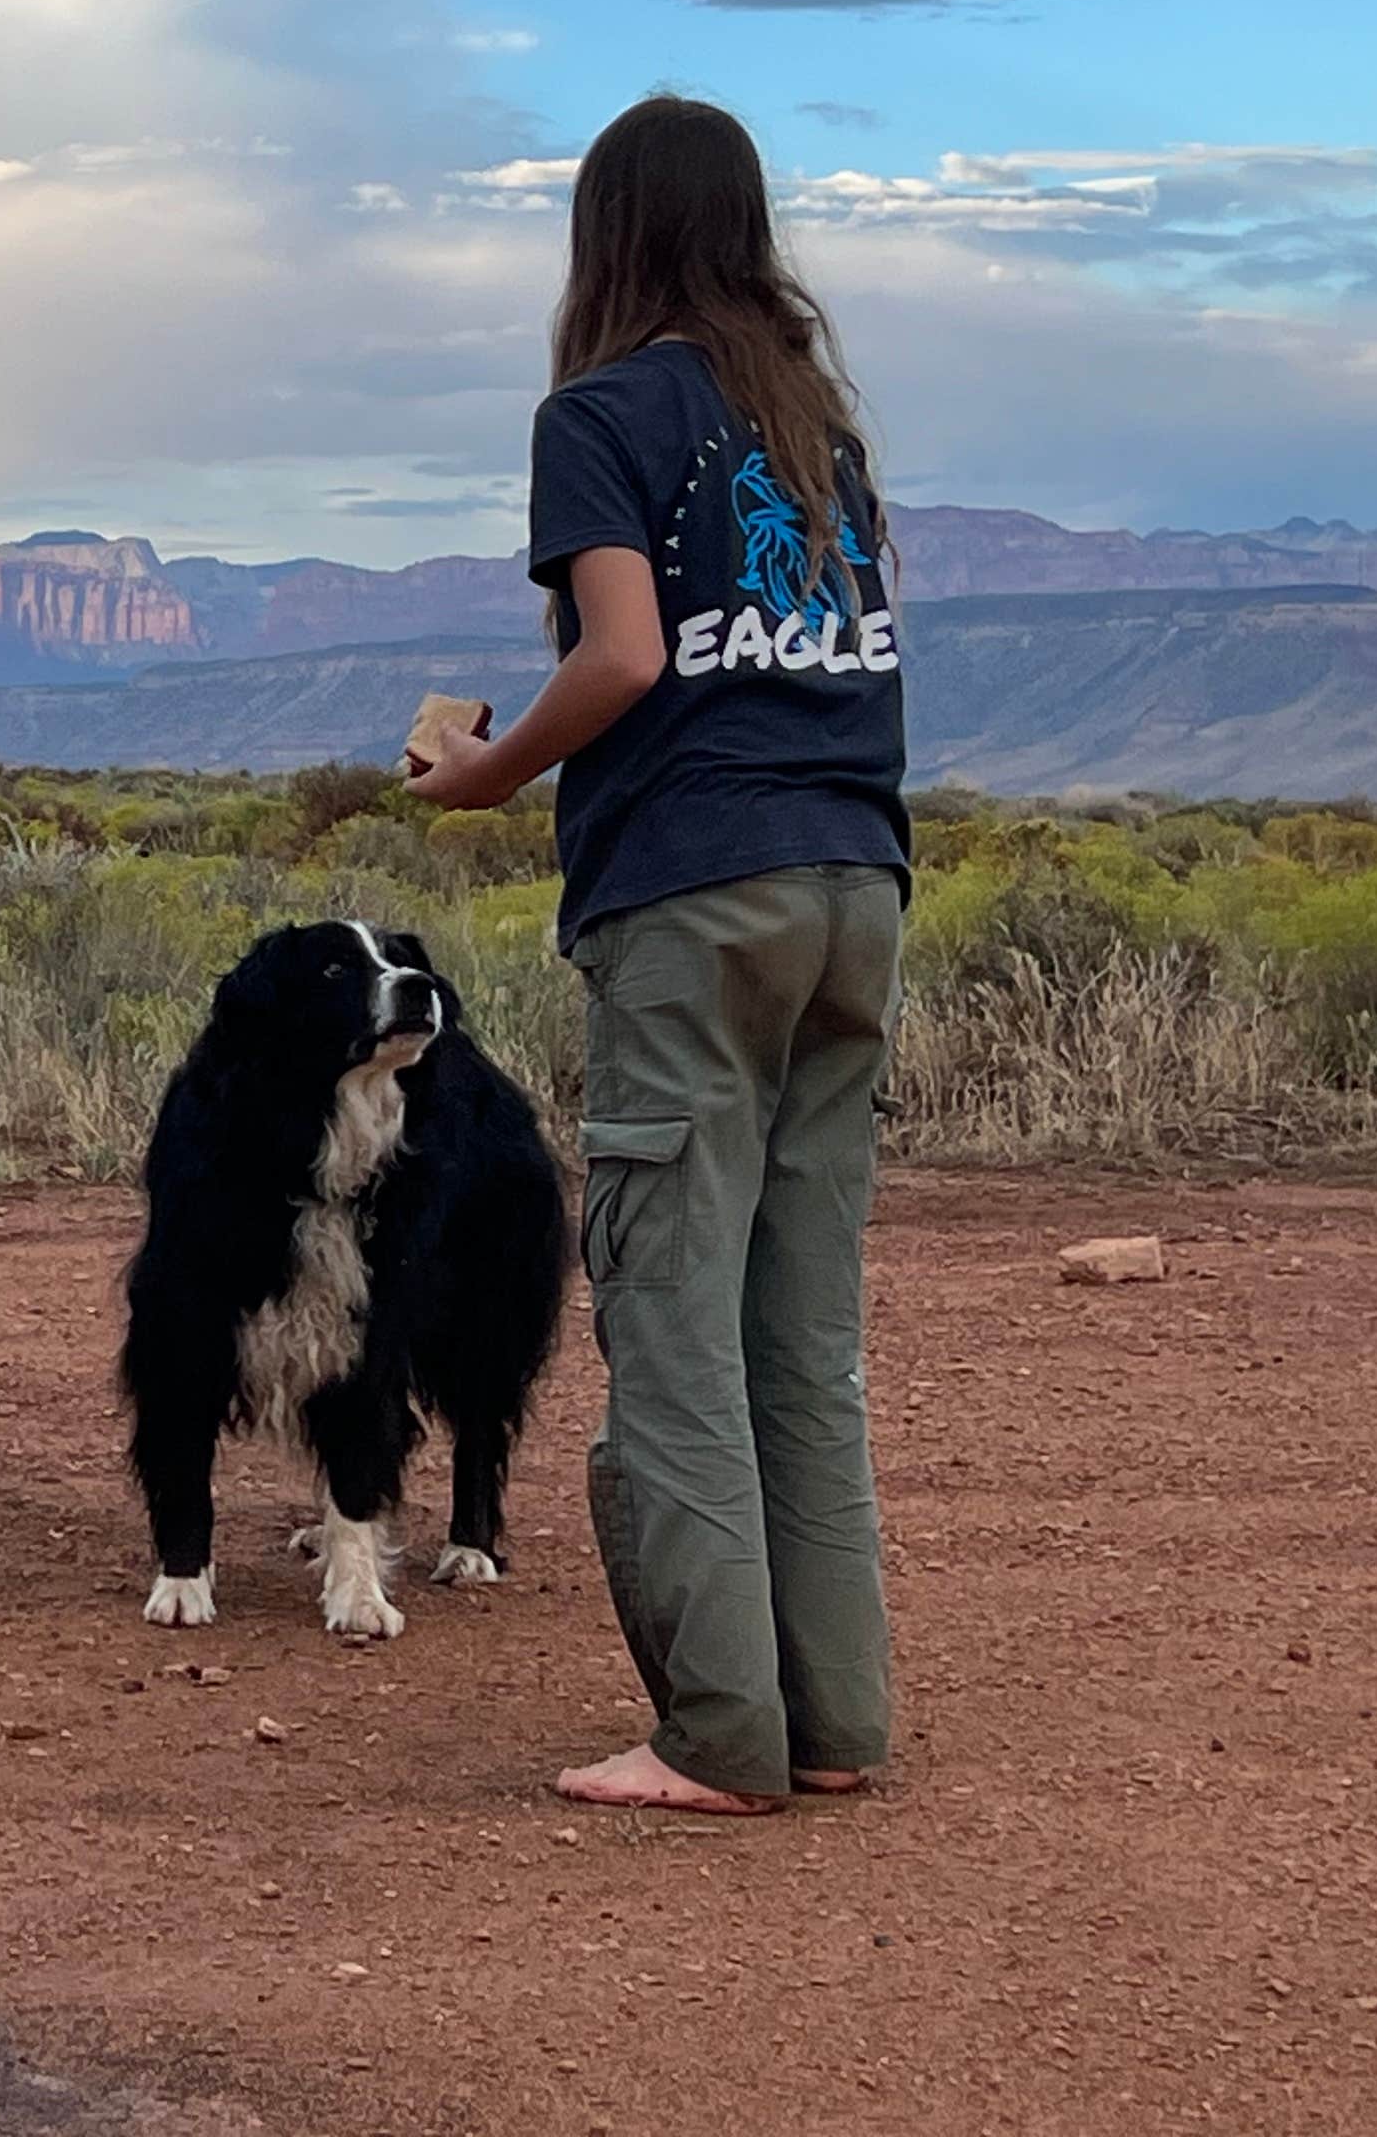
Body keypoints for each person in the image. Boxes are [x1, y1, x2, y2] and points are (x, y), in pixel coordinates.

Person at [399, 94, 909, 1817]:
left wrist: (479, 770)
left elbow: (619, 654)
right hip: (854, 881)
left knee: (675, 1328)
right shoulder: (810, 425)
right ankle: (831, 1716)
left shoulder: (601, 411)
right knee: (797, 1332)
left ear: (604, 230)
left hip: (695, 899)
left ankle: (713, 1733)